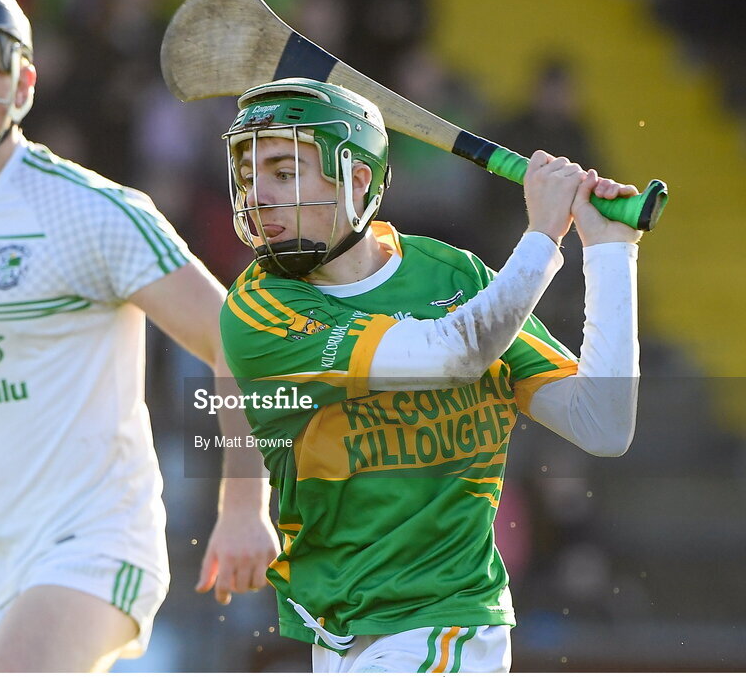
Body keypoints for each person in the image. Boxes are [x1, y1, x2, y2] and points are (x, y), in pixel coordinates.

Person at [0, 0, 278, 672]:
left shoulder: (91, 212)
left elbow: (237, 337)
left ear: (22, 84)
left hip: (97, 547)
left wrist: (245, 500)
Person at [217, 77, 641, 672]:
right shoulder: (259, 309)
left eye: (285, 173)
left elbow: (602, 424)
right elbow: (452, 356)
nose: (259, 195)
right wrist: (542, 236)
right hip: (335, 636)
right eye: (248, 176)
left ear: (357, 180)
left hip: (447, 625)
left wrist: (610, 251)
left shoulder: (455, 277)